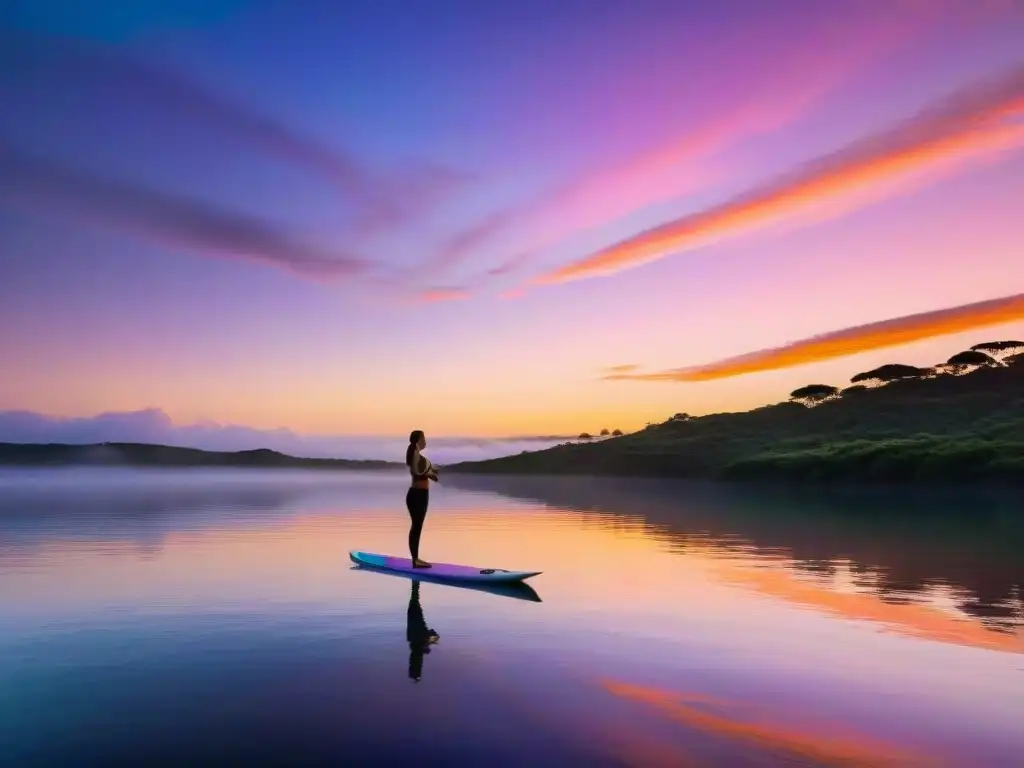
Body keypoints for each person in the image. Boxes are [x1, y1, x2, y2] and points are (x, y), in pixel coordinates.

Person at [405, 429, 438, 568]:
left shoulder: (418, 455)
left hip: (422, 494)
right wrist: (430, 474)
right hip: (416, 494)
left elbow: (423, 470)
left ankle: (416, 559)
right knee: (416, 526)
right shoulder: (414, 453)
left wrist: (432, 473)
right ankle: (415, 560)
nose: (425, 441)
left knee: (418, 526)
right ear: (418, 439)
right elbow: (417, 471)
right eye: (424, 438)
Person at [406, 580, 440, 682]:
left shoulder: (421, 640)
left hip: (415, 629)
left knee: (414, 598)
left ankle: (415, 581)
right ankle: (415, 581)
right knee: (414, 598)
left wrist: (431, 640)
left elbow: (417, 656)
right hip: (415, 630)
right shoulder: (421, 640)